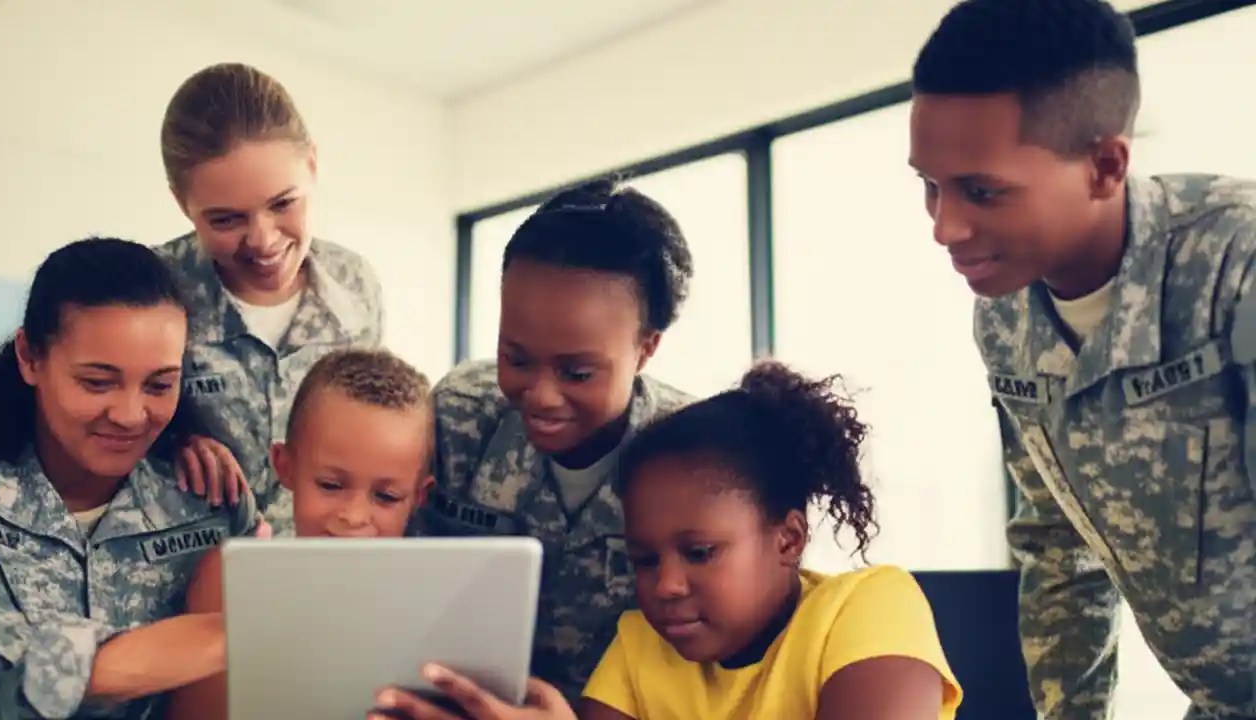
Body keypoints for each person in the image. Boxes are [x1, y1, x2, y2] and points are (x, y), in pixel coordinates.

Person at [908, 1, 1256, 717]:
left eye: (982, 190)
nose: (946, 226)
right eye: (930, 186)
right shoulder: (1005, 315)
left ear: (1105, 165)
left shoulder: (1234, 264)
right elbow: (1059, 546)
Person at [371, 361, 964, 720]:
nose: (666, 586)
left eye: (700, 552)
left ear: (788, 537)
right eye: (644, 559)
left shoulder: (869, 606)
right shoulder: (639, 647)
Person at [412, 178, 696, 704]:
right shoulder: (457, 415)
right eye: (515, 359)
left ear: (645, 349)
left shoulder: (694, 457)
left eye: (578, 372)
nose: (540, 396)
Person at [0, 237, 261, 719]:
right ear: (29, 357)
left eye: (159, 384)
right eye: (97, 382)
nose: (131, 415)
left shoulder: (211, 504)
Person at [156, 62, 384, 536]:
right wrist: (170, 440)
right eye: (225, 220)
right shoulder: (151, 289)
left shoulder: (355, 285)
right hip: (187, 571)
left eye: (283, 204)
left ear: (313, 165)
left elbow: (371, 427)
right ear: (183, 203)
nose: (262, 241)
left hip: (320, 562)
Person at [165, 347, 435, 720]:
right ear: (285, 467)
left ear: (419, 497)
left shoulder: (437, 605)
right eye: (329, 485)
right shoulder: (231, 585)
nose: (353, 517)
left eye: (386, 496)